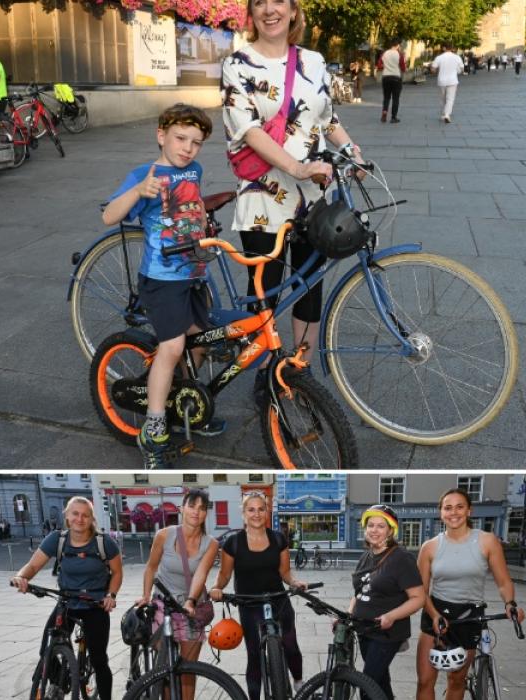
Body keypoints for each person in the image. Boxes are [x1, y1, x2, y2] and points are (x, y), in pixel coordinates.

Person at [221, 0, 365, 365]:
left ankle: (298, 377)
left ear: (294, 11)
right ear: (251, 14)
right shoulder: (237, 65)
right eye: (260, 3)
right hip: (263, 200)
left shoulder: (314, 61)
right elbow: (248, 130)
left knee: (309, 288)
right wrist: (298, 168)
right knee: (264, 295)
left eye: (279, 2)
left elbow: (326, 120)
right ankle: (266, 378)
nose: (270, 10)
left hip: (316, 199)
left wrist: (351, 150)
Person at [101, 104, 216, 468]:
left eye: (196, 143)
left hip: (193, 274)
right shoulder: (144, 174)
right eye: (181, 138)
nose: (188, 148)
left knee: (201, 342)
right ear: (161, 135)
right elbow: (109, 215)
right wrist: (138, 191)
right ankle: (154, 425)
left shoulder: (194, 170)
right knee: (173, 345)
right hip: (162, 280)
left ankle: (182, 401)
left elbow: (190, 206)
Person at [416, 489, 526, 700]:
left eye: (460, 507)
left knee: (456, 680)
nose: (453, 512)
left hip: (469, 616)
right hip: (435, 614)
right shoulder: (429, 547)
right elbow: (421, 590)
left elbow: (503, 581)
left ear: (469, 511)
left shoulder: (487, 541)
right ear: (441, 513)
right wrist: (435, 615)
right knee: (424, 681)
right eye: (448, 508)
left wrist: (510, 604)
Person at [11, 497, 123, 700]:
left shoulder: (103, 542)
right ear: (67, 516)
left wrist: (111, 595)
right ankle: (61, 682)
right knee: (47, 649)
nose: (80, 518)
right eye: (75, 514)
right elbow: (34, 565)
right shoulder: (57, 539)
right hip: (67, 602)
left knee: (99, 659)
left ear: (91, 519)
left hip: (95, 604)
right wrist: (22, 577)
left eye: (85, 515)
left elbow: (117, 572)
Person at [210, 491, 307, 700]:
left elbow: (285, 572)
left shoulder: (279, 539)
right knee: (254, 655)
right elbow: (224, 574)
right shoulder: (233, 542)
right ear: (244, 513)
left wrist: (295, 582)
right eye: (251, 509)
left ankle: (299, 682)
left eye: (261, 509)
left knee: (290, 645)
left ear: (267, 511)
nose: (256, 514)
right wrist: (216, 587)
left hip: (278, 600)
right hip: (249, 604)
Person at [139, 490, 219, 700]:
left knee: (187, 672)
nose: (196, 512)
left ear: (205, 514)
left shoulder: (211, 544)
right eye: (192, 506)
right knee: (166, 669)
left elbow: (200, 574)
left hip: (191, 609)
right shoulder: (164, 535)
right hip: (162, 606)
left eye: (202, 508)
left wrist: (191, 601)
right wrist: (146, 596)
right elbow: (151, 567)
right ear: (182, 509)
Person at [351, 505, 425, 700]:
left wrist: (391, 616)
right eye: (371, 525)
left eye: (381, 526)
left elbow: (418, 598)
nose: (374, 530)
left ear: (391, 530)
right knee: (380, 682)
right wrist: (347, 617)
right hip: (364, 629)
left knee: (367, 686)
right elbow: (359, 592)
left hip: (386, 632)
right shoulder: (365, 556)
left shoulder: (401, 558)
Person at [431, 44, 465, 124]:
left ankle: (444, 113)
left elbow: (433, 70)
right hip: (453, 80)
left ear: (444, 48)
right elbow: (462, 69)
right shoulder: (457, 57)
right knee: (450, 98)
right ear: (452, 48)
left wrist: (433, 69)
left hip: (442, 81)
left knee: (443, 98)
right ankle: (446, 114)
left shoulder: (439, 57)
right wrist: (458, 71)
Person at [377, 40, 405, 123]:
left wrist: (385, 67)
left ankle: (384, 112)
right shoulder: (399, 54)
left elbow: (379, 65)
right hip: (396, 77)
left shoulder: (384, 54)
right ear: (397, 45)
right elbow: (403, 67)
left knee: (386, 97)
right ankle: (393, 117)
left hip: (386, 77)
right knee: (395, 98)